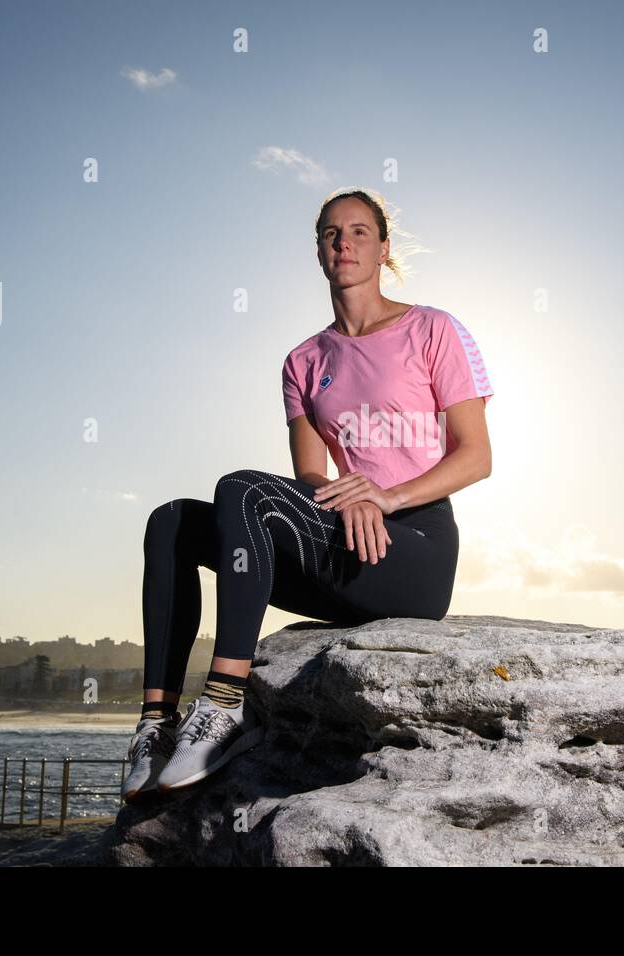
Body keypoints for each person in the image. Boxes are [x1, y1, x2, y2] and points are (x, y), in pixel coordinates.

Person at [123, 188, 495, 801]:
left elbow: (476, 456)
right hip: (343, 536)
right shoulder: (303, 360)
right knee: (172, 522)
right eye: (330, 233)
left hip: (414, 547)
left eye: (358, 232)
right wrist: (347, 499)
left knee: (240, 488)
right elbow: (310, 473)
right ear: (319, 251)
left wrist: (386, 498)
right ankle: (156, 725)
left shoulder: (433, 329)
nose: (343, 242)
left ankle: (224, 706)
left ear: (382, 248)